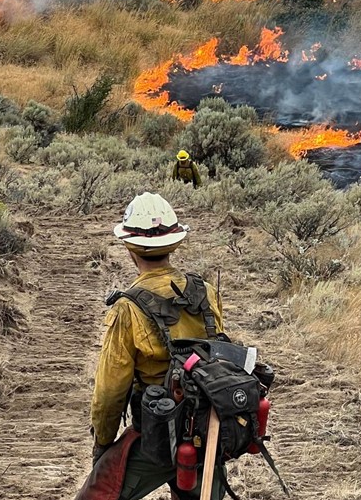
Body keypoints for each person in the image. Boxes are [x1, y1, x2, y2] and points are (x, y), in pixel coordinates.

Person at [75, 193, 226, 500]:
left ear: (129, 247)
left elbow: (110, 392)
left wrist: (103, 444)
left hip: (155, 434)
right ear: (175, 242)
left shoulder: (127, 309)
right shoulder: (206, 292)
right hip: (208, 431)